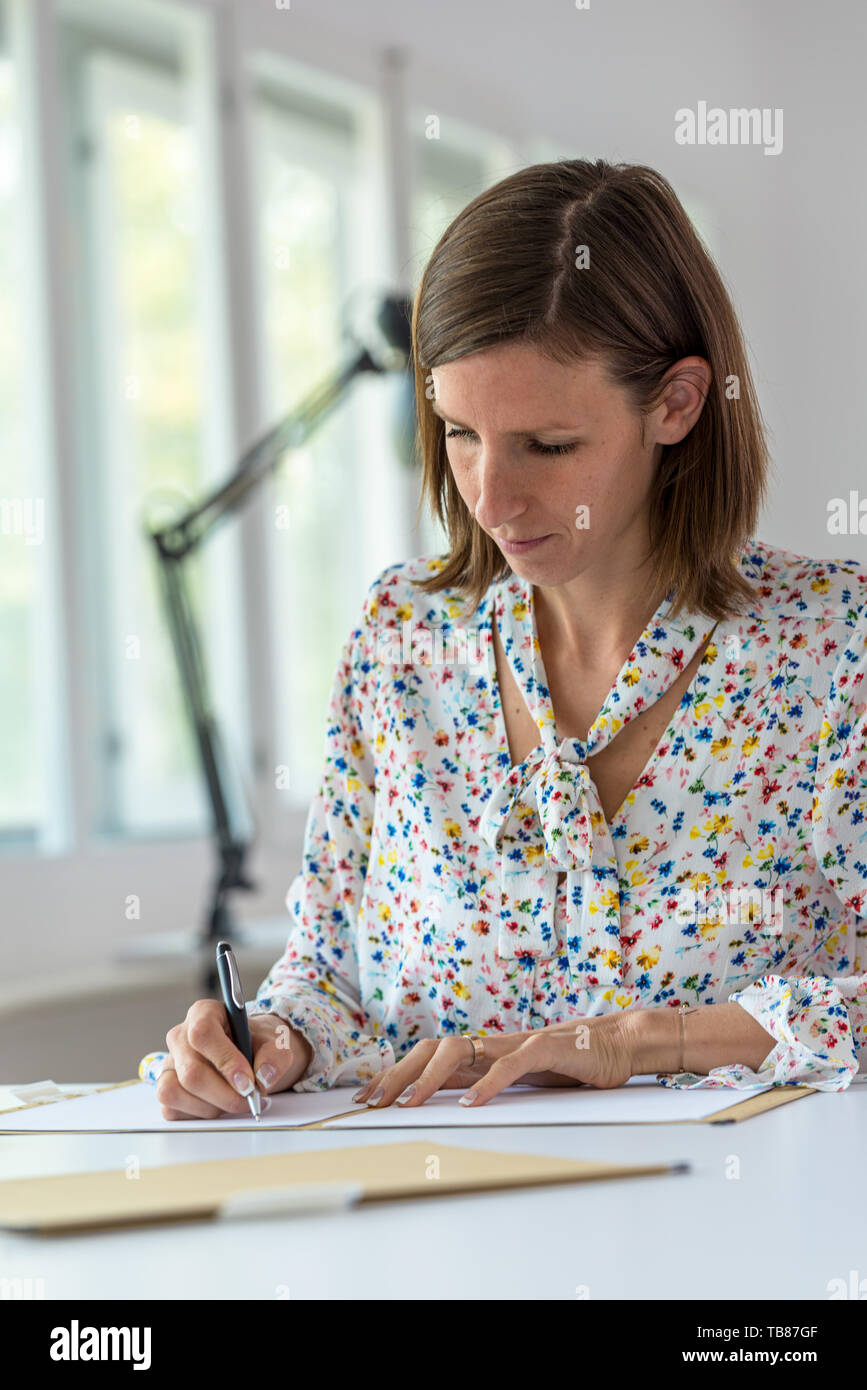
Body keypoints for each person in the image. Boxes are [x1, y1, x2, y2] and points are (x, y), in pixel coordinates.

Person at [140, 158, 867, 1121]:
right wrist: (274, 1039)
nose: (488, 498)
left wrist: (646, 1039)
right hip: (436, 1240)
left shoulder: (830, 647)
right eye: (457, 432)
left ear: (677, 404)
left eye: (547, 445)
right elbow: (327, 972)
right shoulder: (399, 635)